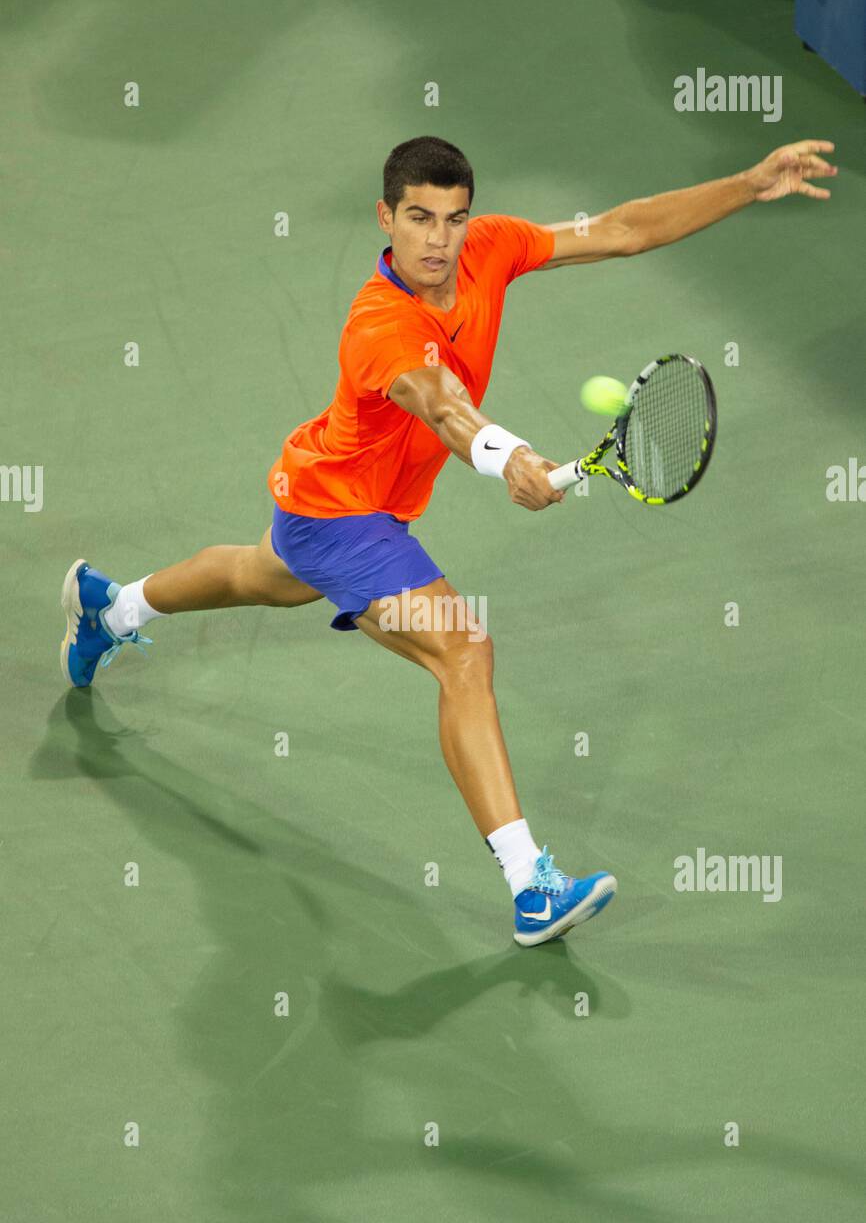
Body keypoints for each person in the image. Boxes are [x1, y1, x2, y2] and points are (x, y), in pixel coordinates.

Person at [60, 134, 837, 945]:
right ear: (386, 217)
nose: (440, 240)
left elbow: (620, 229)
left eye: (454, 219)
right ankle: (530, 884)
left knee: (261, 575)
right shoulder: (378, 323)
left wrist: (748, 184)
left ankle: (111, 611)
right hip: (342, 519)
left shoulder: (489, 249)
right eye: (421, 218)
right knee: (463, 651)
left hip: (327, 499)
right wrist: (512, 459)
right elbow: (440, 405)